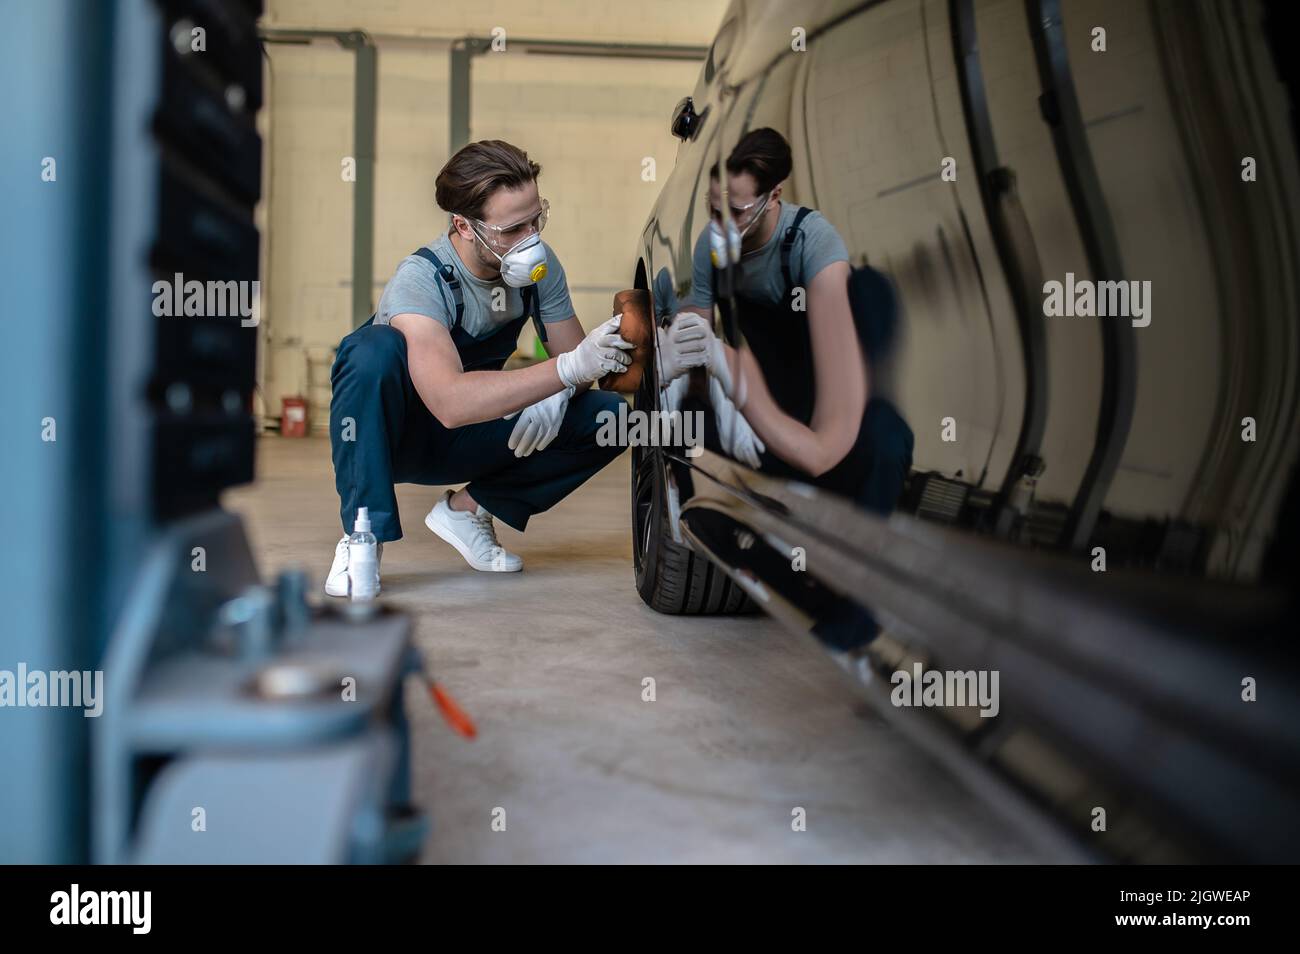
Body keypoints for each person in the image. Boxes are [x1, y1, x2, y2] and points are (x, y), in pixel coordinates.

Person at [325, 139, 633, 595]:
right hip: (394, 439)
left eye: (536, 219)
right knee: (371, 350)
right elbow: (449, 402)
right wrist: (561, 374)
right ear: (464, 227)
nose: (531, 239)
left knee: (611, 418)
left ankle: (467, 511)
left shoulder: (539, 273)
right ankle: (361, 534)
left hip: (472, 434)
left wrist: (566, 387)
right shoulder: (422, 279)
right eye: (512, 229)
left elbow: (580, 368)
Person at [659, 127, 915, 647]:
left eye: (737, 211)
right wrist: (677, 353)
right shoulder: (715, 243)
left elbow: (824, 451)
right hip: (764, 413)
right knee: (689, 461)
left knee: (887, 439)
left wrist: (737, 379)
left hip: (828, 423)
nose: (722, 228)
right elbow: (698, 327)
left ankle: (851, 600)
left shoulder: (814, 246)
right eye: (714, 212)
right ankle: (776, 543)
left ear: (774, 195)